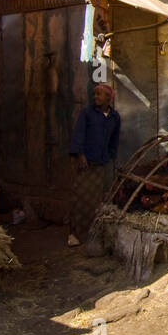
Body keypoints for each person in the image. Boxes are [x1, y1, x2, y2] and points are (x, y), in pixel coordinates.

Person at [68, 82, 121, 247]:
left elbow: (114, 139)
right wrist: (80, 154)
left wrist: (111, 156)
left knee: (98, 199)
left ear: (109, 98)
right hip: (86, 161)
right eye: (95, 94)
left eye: (100, 94)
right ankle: (75, 233)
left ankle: (94, 233)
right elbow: (79, 134)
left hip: (102, 162)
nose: (96, 97)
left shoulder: (114, 117)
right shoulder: (87, 114)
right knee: (81, 198)